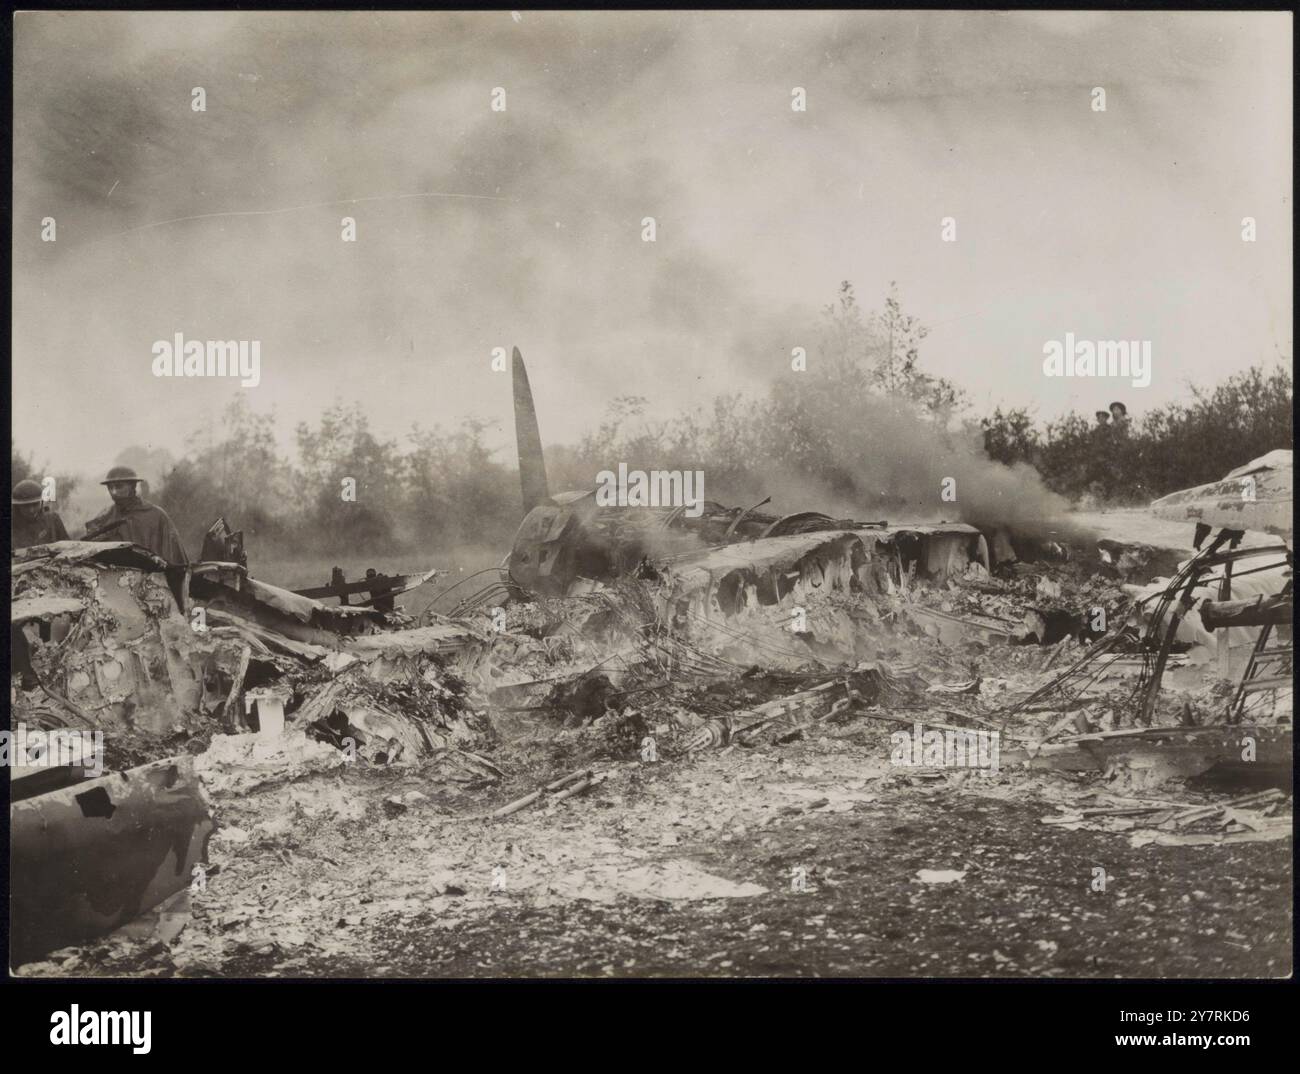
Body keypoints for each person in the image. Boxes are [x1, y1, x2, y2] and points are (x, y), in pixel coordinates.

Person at [84, 465, 189, 564]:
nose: (114, 492)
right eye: (110, 488)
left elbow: (175, 559)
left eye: (119, 487)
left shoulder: (156, 516)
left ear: (132, 486)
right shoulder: (104, 518)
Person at [11, 478, 70, 549]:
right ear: (17, 506)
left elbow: (68, 547)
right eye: (26, 506)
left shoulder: (53, 520)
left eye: (35, 504)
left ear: (41, 503)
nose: (31, 510)